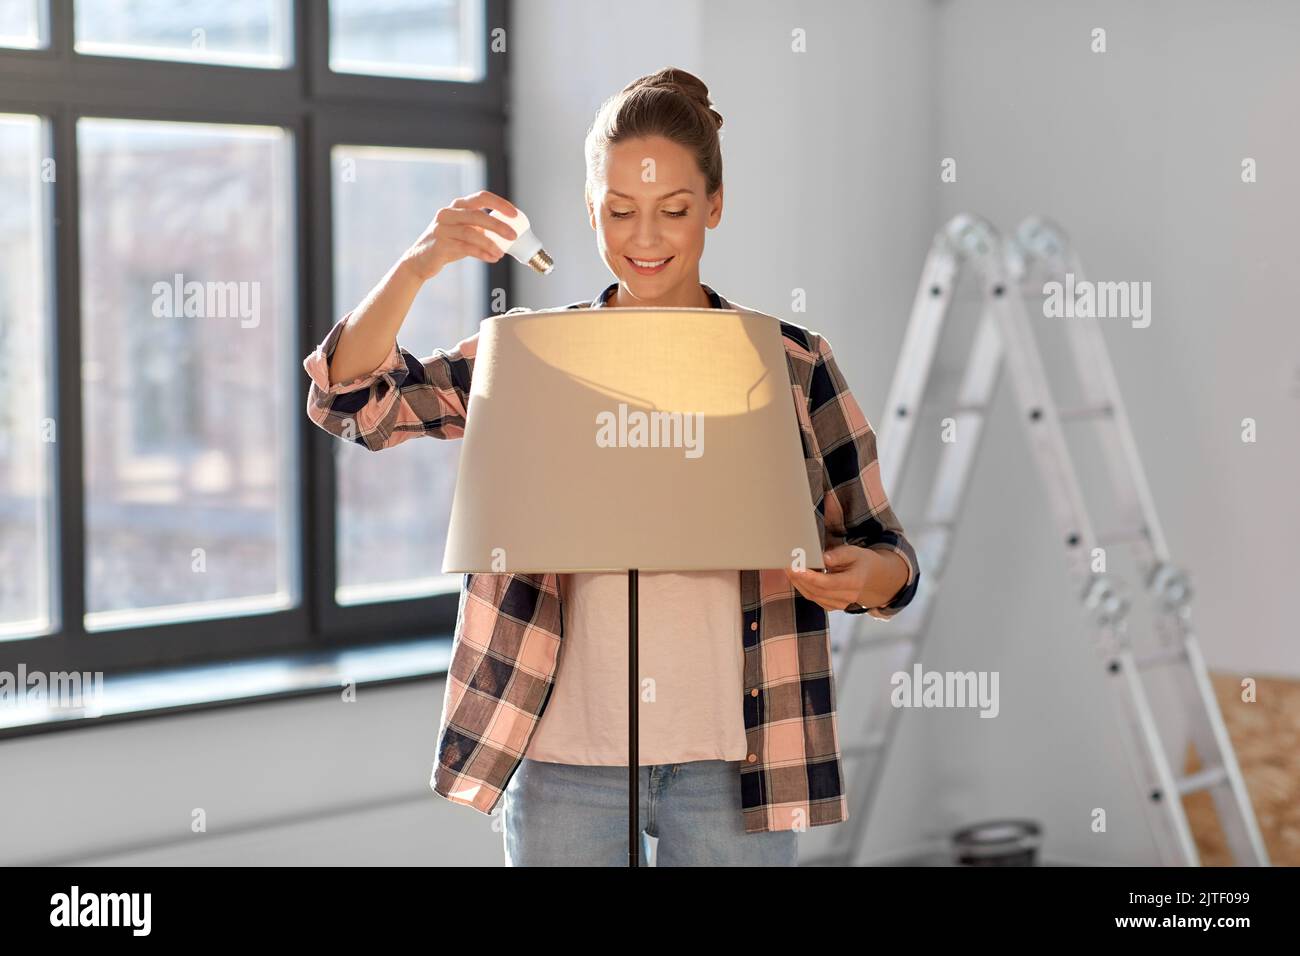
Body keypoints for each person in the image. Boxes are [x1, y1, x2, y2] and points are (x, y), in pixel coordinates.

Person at [303, 67, 920, 866]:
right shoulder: (531, 357)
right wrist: (422, 261)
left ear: (715, 207)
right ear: (593, 210)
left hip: (736, 759)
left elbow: (893, 560)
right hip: (563, 759)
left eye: (675, 210)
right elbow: (352, 402)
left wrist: (860, 578)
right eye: (622, 211)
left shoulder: (790, 362)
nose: (647, 237)